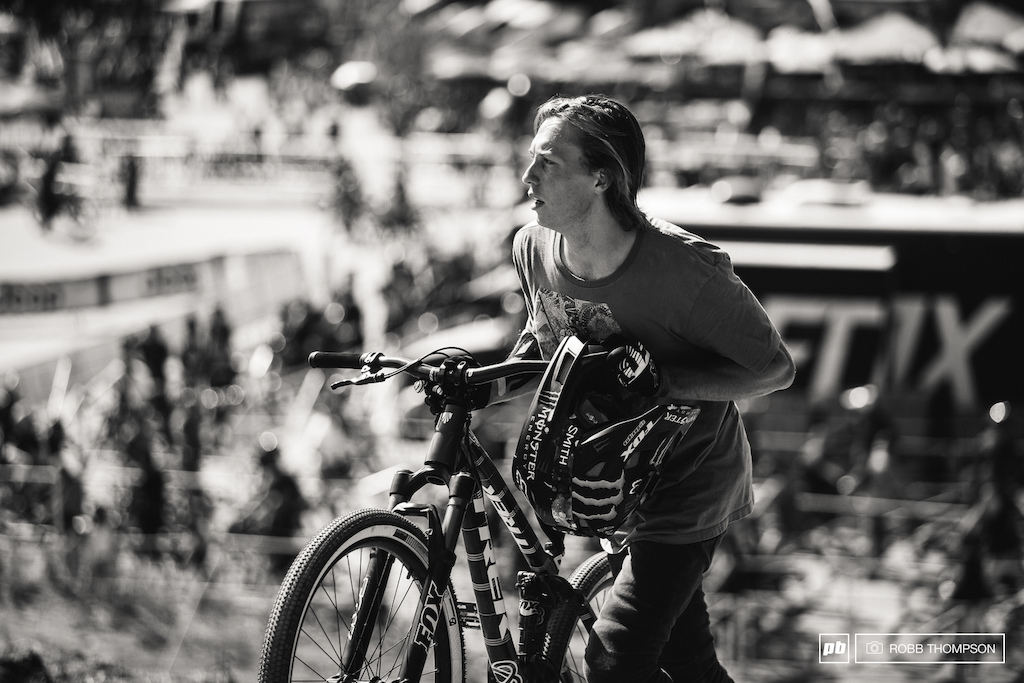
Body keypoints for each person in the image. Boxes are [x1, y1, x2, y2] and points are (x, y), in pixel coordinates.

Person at [503, 94, 796, 683]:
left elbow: (775, 369)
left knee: (615, 656)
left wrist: (666, 383)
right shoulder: (531, 248)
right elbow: (544, 346)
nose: (528, 176)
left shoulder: (686, 272)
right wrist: (472, 384)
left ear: (602, 178)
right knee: (687, 662)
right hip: (614, 487)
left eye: (548, 162)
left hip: (689, 485)